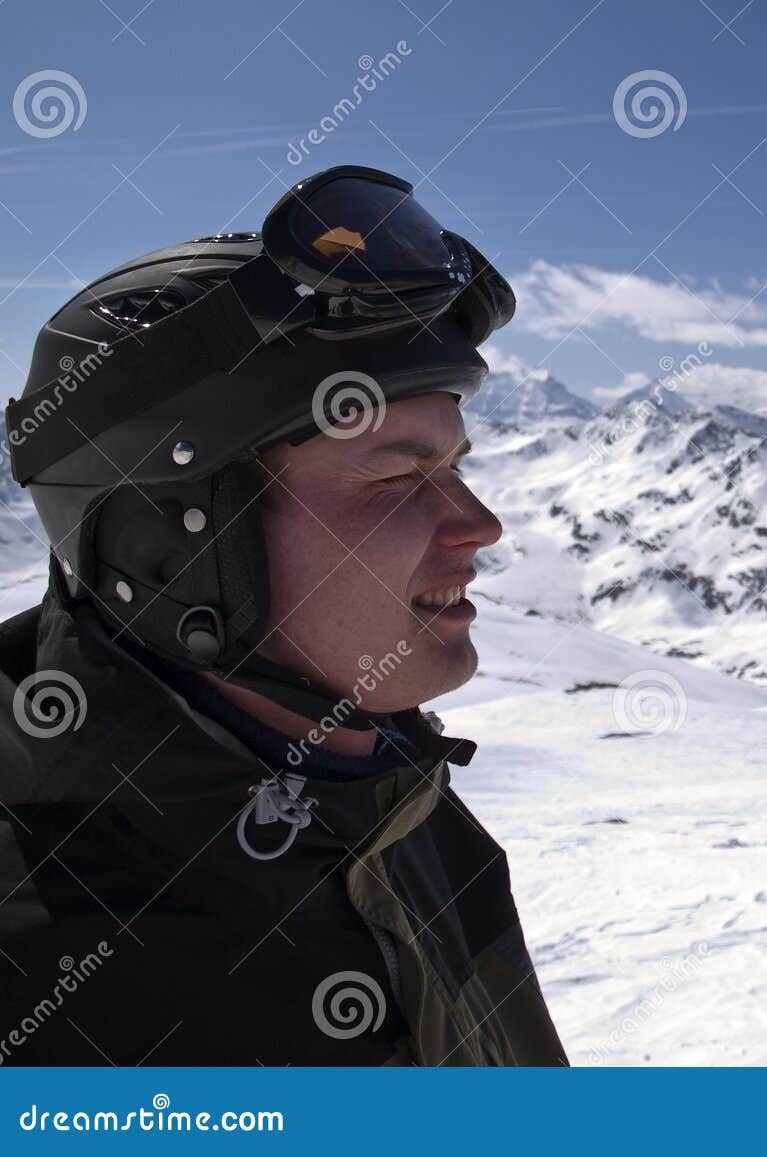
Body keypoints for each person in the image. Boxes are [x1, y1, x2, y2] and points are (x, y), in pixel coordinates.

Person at [0, 165, 568, 1065]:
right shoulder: (52, 981)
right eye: (397, 476)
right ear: (176, 550)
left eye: (456, 465)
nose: (480, 524)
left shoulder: (402, 813)